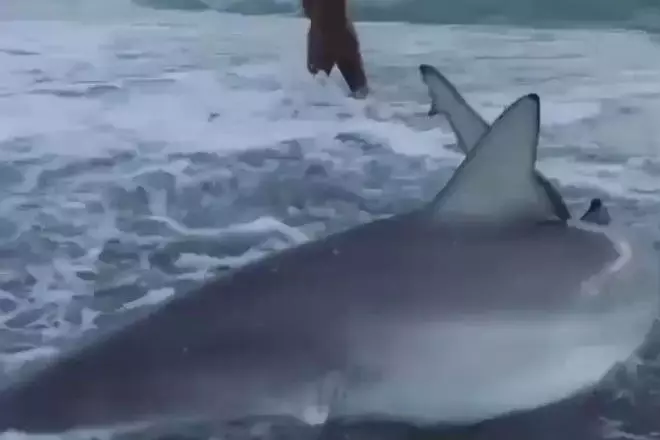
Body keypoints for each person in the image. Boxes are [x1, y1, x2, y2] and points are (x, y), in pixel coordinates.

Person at [302, 0, 369, 98]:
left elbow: (307, 10)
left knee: (317, 88)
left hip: (323, 37)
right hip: (343, 35)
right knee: (360, 90)